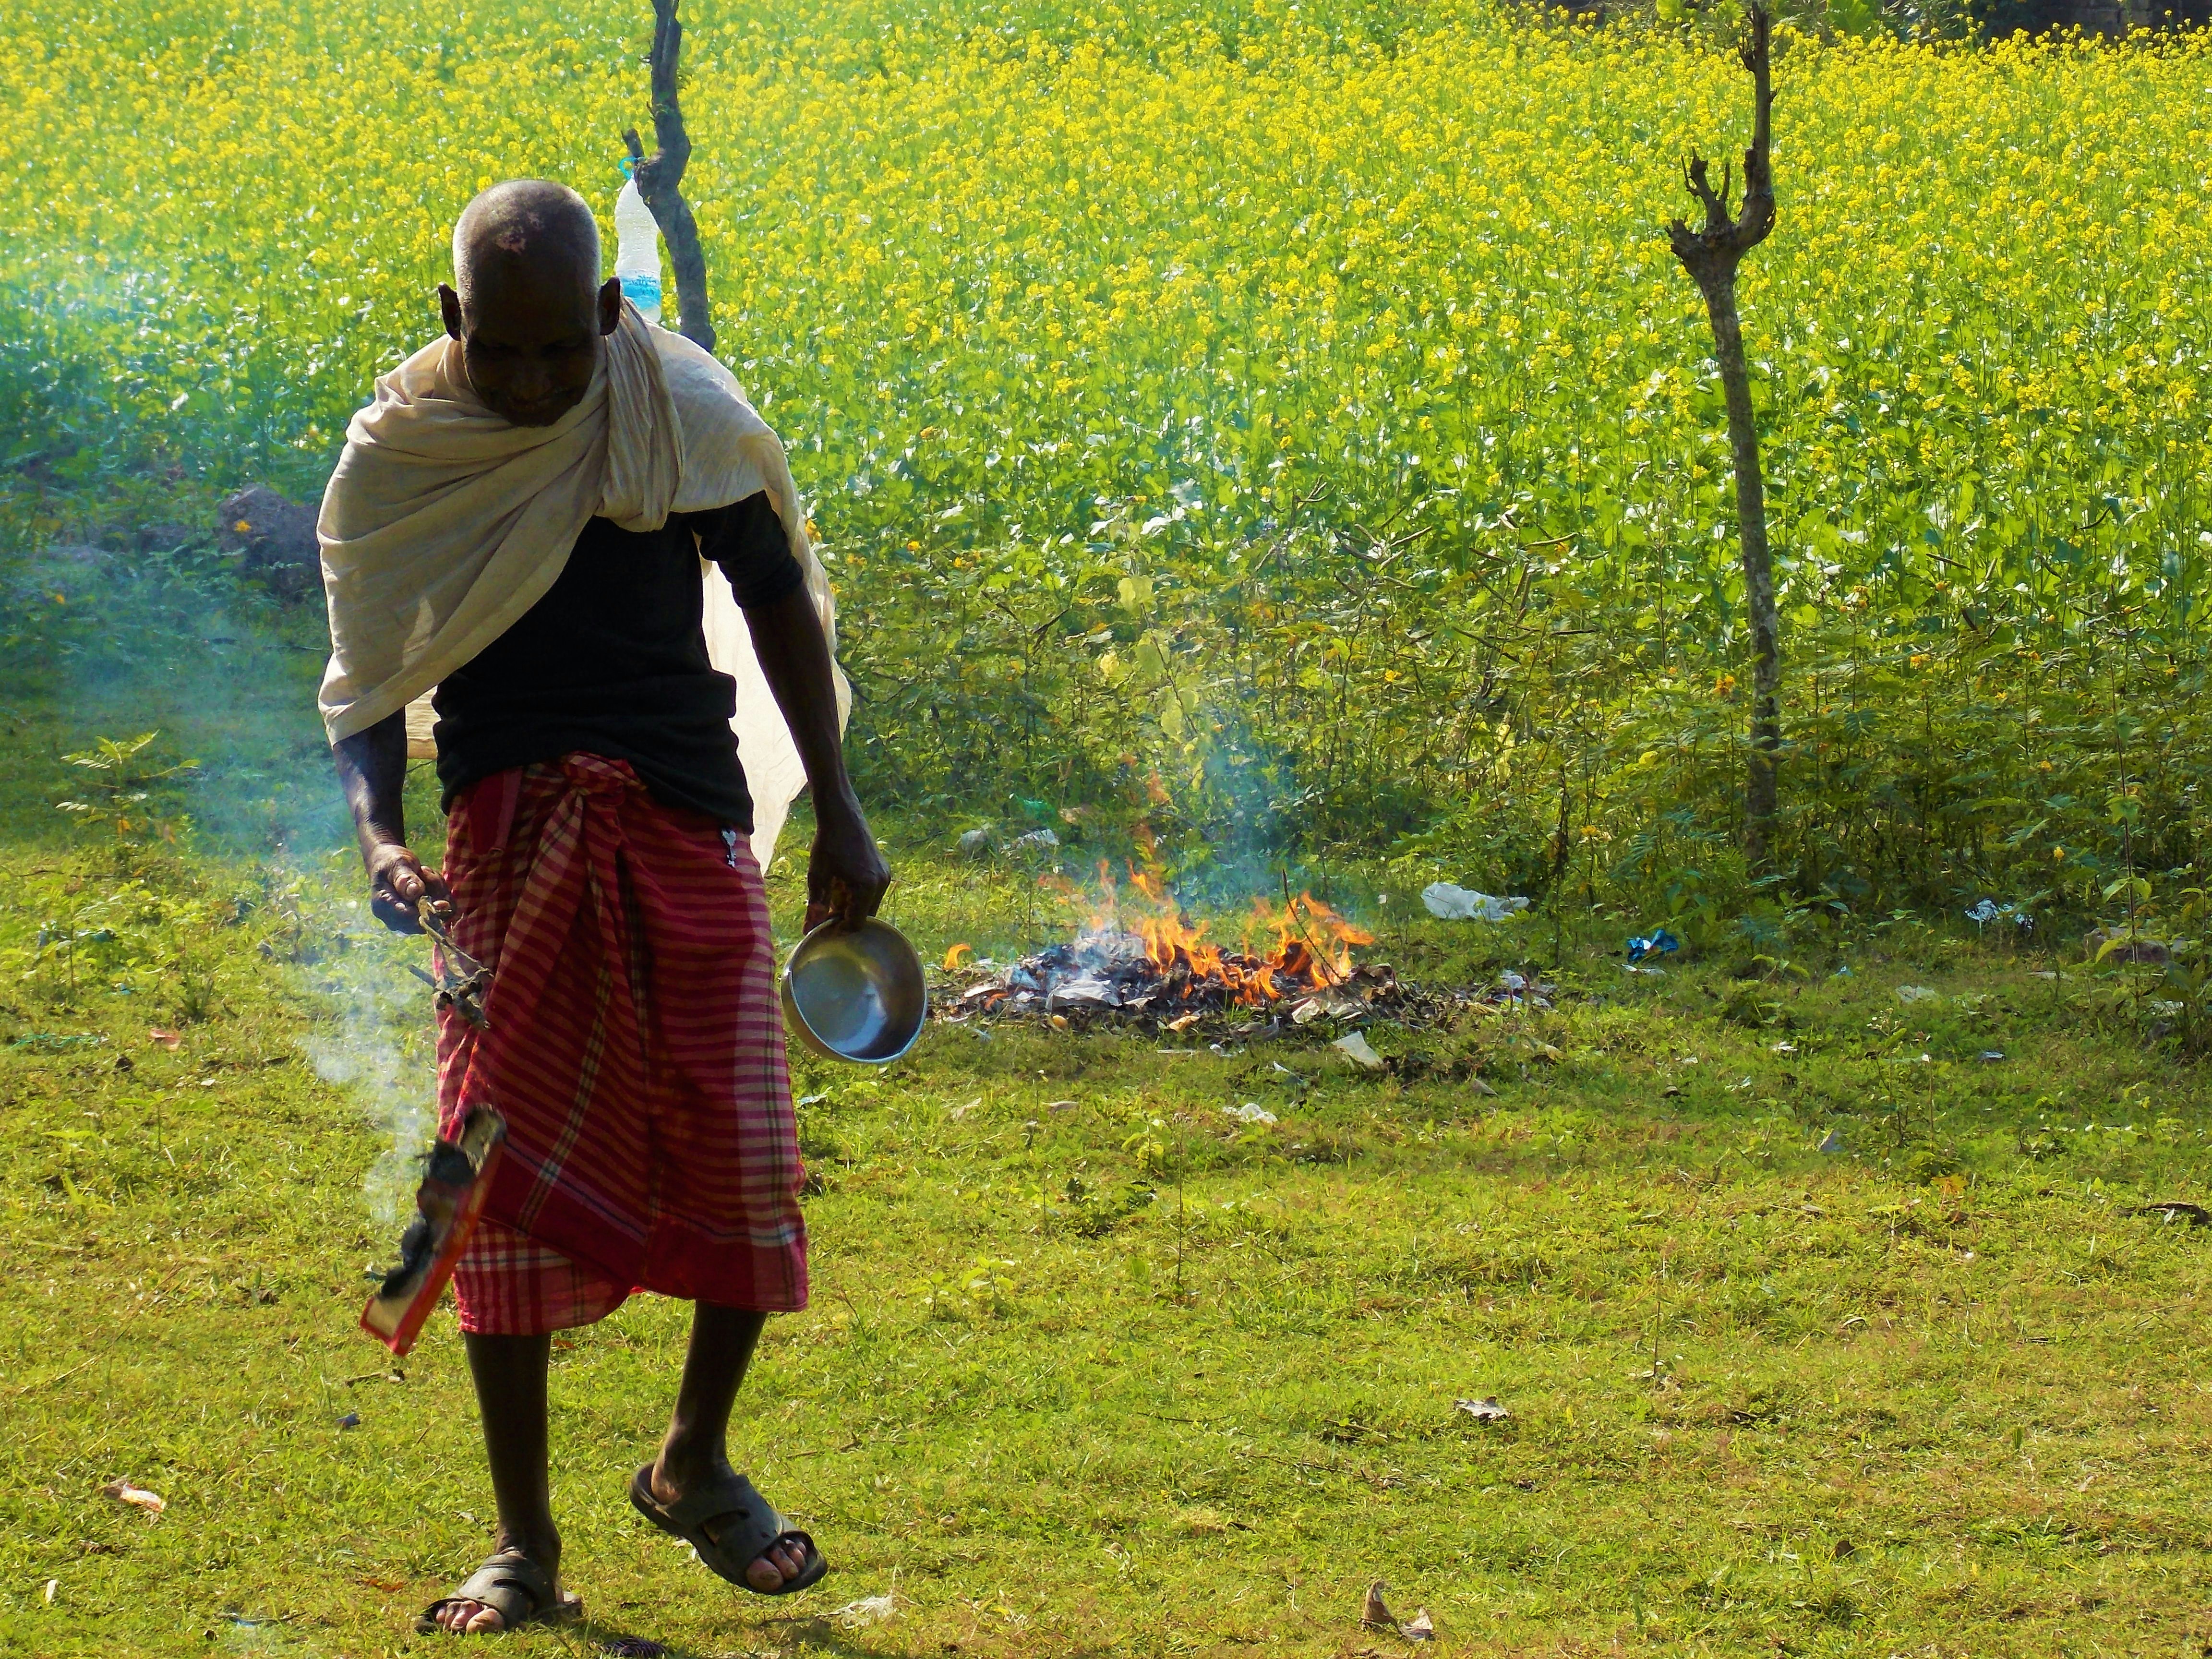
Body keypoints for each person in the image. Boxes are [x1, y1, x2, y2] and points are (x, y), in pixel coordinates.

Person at [320, 179, 889, 1635]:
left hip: (685, 817)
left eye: (558, 353)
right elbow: (372, 685)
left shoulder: (673, 412)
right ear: (454, 323)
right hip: (509, 836)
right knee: (489, 1176)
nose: (527, 384)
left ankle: (694, 1458)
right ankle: (524, 1546)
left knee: (749, 1147)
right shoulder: (402, 458)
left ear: (610, 316)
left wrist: (839, 800)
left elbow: (773, 604)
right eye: (497, 354)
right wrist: (385, 838)